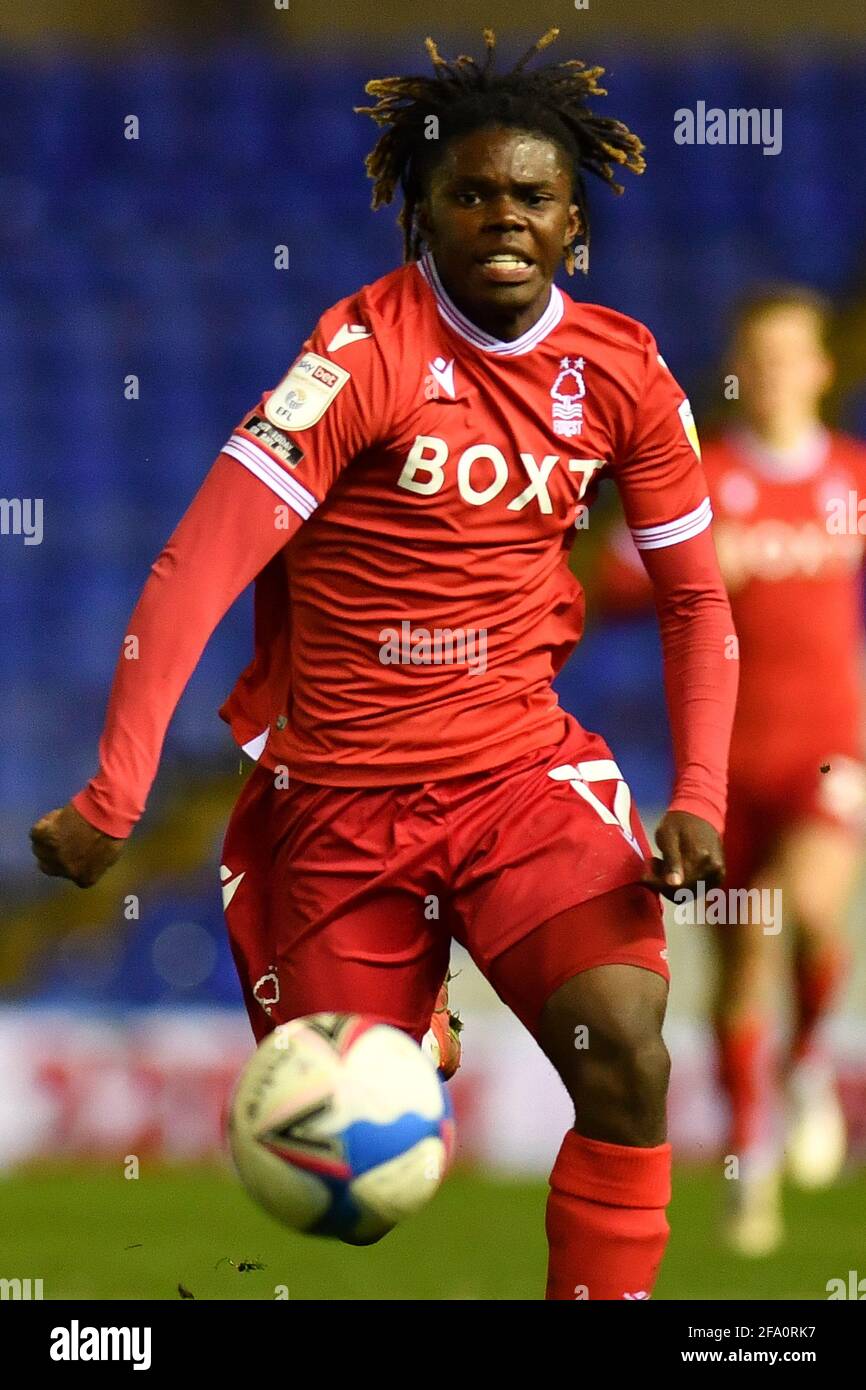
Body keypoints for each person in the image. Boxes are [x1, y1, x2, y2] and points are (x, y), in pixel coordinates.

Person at [30, 28, 737, 1299]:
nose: (502, 217)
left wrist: (698, 794)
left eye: (531, 195)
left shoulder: (624, 372)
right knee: (357, 1198)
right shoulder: (358, 357)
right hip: (341, 810)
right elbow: (196, 566)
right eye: (469, 194)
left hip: (520, 779)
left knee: (626, 1052)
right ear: (423, 215)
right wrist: (117, 792)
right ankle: (411, 1017)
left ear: (574, 223)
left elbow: (692, 596)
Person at [593, 285, 866, 1255]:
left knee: (808, 908)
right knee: (738, 959)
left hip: (828, 754)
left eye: (793, 352)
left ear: (820, 367)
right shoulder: (698, 483)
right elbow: (620, 579)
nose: (775, 371)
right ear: (737, 371)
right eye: (757, 354)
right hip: (722, 765)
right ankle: (749, 1146)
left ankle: (803, 1066)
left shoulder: (849, 478)